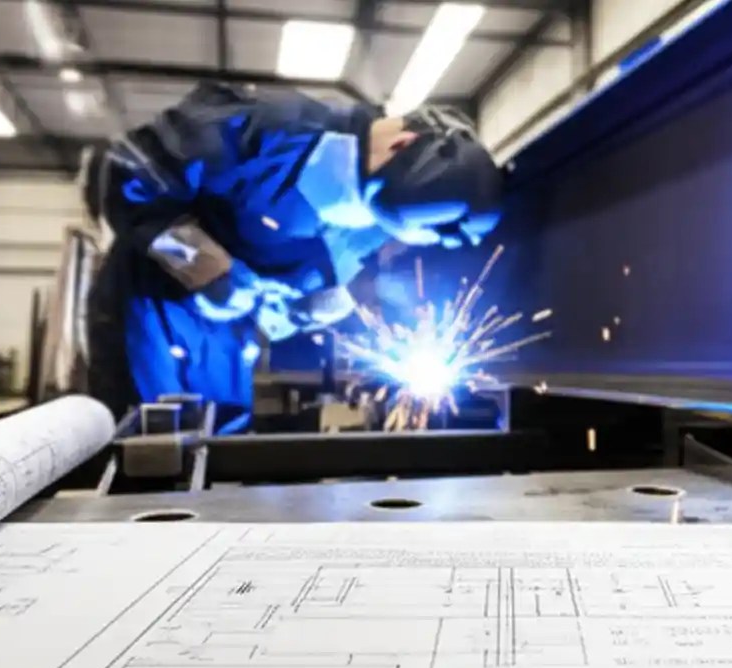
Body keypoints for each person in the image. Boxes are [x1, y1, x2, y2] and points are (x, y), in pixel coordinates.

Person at [86, 82, 504, 430]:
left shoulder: (384, 213)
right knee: (149, 435)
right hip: (155, 306)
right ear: (400, 143)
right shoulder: (264, 127)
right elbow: (127, 171)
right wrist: (206, 267)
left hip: (230, 332)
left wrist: (312, 306)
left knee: (214, 438)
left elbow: (307, 280)